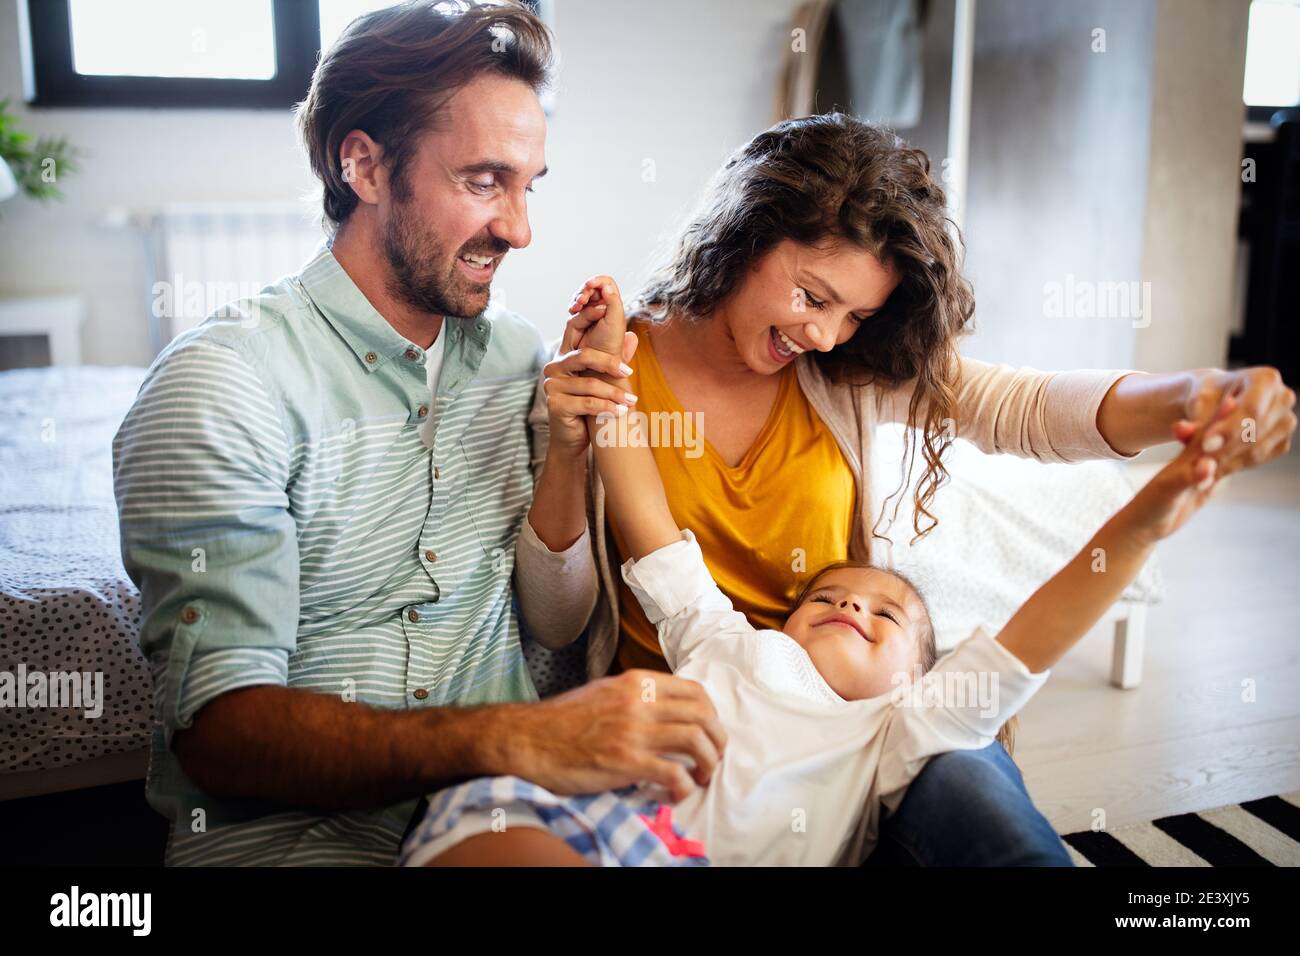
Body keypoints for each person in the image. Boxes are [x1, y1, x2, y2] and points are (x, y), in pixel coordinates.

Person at [521, 114, 1296, 865]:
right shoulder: (613, 379)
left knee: (976, 795)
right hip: (677, 739)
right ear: (744, 237)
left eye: (855, 314)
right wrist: (589, 414)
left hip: (864, 732)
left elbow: (1023, 408)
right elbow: (558, 622)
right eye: (813, 296)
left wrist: (1198, 395)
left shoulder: (846, 373)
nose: (823, 336)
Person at [112, 1, 724, 866]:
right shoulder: (222, 384)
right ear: (361, 163)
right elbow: (222, 733)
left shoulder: (513, 353)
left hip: (505, 815)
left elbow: (553, 628)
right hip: (304, 843)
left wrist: (568, 446)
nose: (519, 228)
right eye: (483, 181)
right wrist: (521, 736)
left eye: (527, 185)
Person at [402, 277, 1238, 867]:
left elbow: (1036, 632)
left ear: (917, 673)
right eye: (828, 598)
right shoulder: (728, 643)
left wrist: (1158, 501)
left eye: (886, 620)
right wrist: (614, 369)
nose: (850, 607)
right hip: (581, 816)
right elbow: (647, 518)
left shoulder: (907, 729)